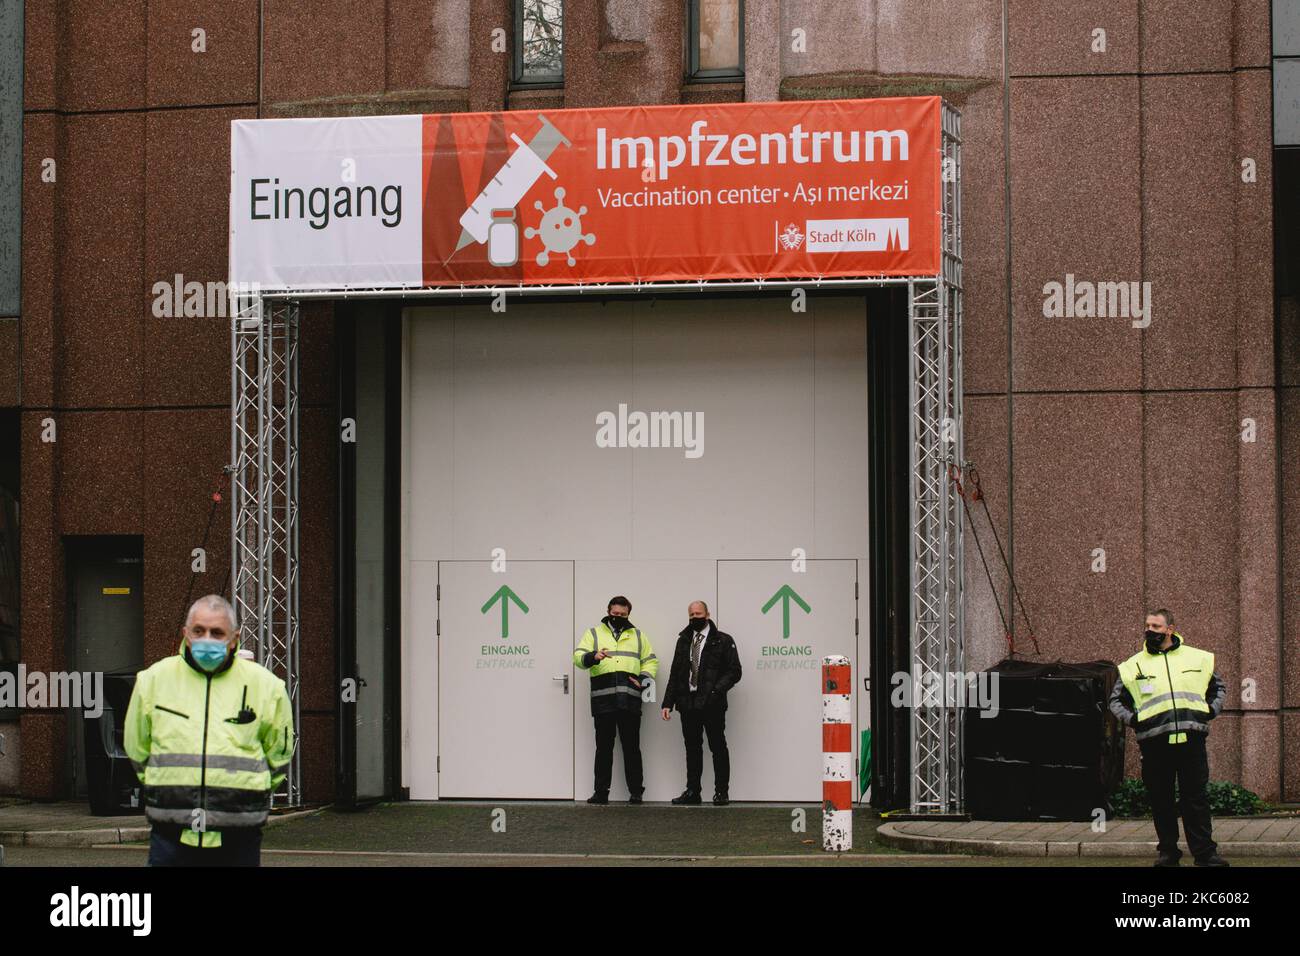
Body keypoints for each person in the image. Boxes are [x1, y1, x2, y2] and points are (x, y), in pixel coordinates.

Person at [124, 594, 294, 866]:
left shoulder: (267, 687)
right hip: (171, 830)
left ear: (234, 638)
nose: (207, 639)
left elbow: (280, 754)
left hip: (239, 831)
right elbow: (136, 747)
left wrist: (252, 792)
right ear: (185, 634)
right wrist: (163, 786)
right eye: (199, 631)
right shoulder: (153, 681)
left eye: (217, 633)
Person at [1108, 608, 1228, 867]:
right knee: (1161, 800)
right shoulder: (1133, 665)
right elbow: (1115, 701)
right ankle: (1168, 853)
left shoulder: (1198, 659)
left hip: (1191, 740)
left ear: (1170, 629)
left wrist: (1210, 711)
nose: (1150, 630)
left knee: (1195, 799)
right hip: (1153, 743)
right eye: (1148, 626)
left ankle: (1205, 854)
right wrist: (1134, 719)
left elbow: (1218, 688)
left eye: (1156, 627)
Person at [573, 596, 657, 804]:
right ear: (608, 611)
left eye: (623, 614)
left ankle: (636, 792)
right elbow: (577, 657)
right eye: (615, 613)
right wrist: (593, 656)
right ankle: (601, 792)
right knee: (603, 749)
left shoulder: (638, 635)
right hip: (603, 702)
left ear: (628, 613)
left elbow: (650, 661)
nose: (618, 617)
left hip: (629, 700)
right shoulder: (593, 633)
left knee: (632, 748)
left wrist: (644, 678)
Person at [661, 600, 742, 805]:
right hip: (688, 703)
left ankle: (721, 792)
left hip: (712, 704)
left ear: (707, 614)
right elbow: (675, 672)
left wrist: (715, 691)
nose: (695, 618)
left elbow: (734, 672)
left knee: (717, 746)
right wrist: (667, 702)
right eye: (691, 614)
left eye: (698, 614)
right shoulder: (684, 640)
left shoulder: (723, 640)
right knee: (692, 748)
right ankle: (692, 792)